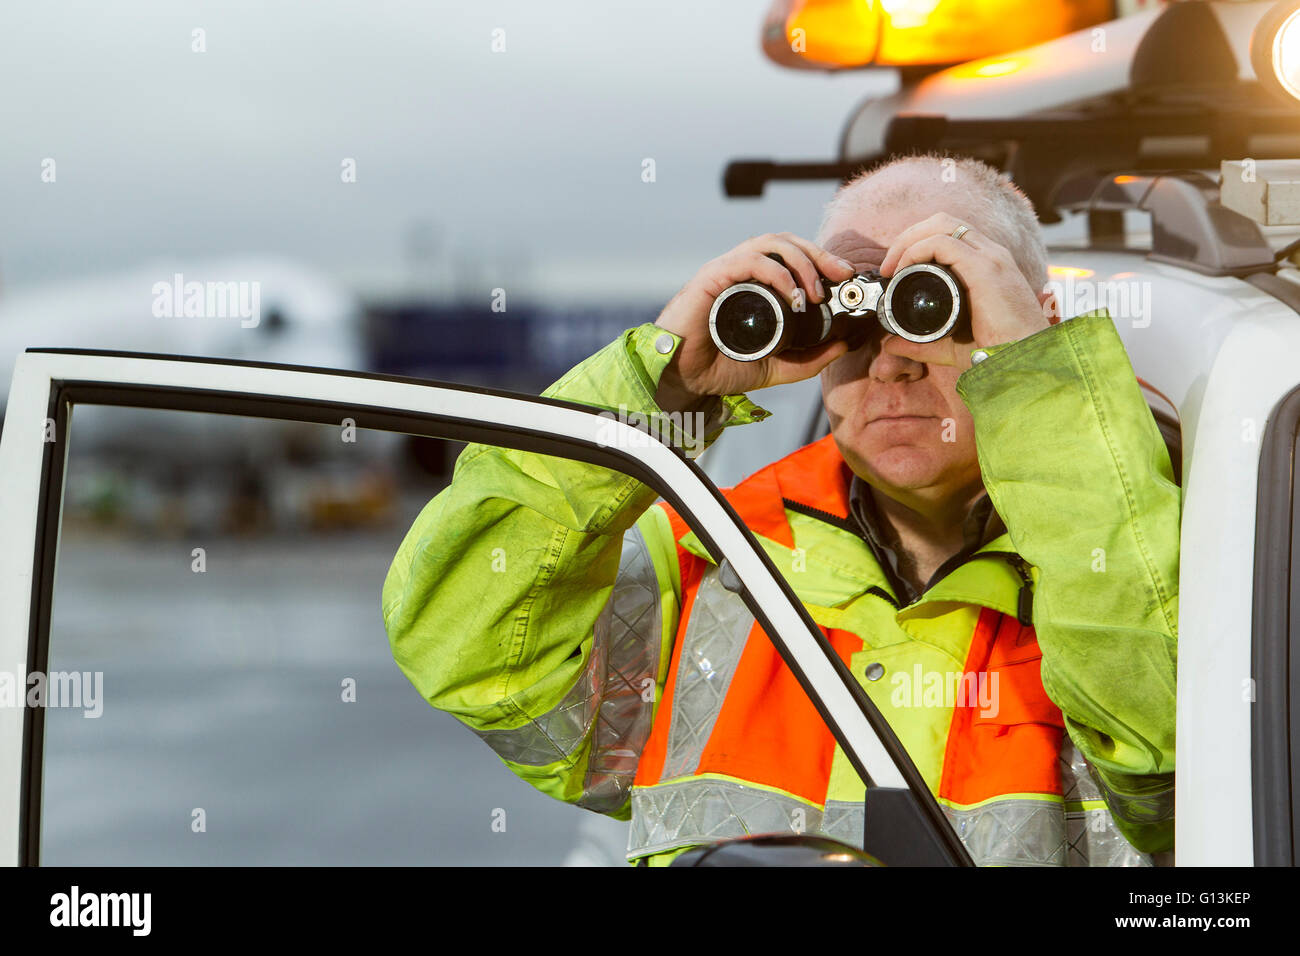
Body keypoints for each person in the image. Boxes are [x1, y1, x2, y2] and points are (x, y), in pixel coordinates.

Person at [381, 153, 1179, 867]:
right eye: (855, 318)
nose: (893, 362)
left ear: (1037, 317)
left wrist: (1033, 377)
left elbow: (1164, 751)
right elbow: (470, 647)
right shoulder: (714, 562)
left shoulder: (1150, 554)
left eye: (936, 308)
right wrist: (658, 392)